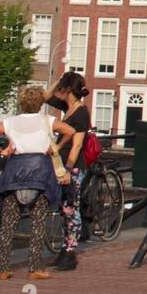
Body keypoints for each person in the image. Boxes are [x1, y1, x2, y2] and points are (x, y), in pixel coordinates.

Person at [0, 85, 75, 280]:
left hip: (14, 172)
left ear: (21, 103)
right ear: (40, 103)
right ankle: (34, 269)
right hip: (40, 172)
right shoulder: (47, 121)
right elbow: (70, 130)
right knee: (38, 222)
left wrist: (2, 151)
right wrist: (56, 146)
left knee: (8, 223)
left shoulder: (10, 122)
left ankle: (4, 268)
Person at [45, 71, 92, 272]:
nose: (59, 91)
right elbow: (46, 97)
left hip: (71, 166)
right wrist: (60, 80)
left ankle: (70, 253)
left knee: (71, 208)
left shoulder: (81, 112)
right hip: (59, 163)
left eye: (62, 88)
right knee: (64, 208)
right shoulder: (68, 107)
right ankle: (65, 249)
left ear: (67, 91)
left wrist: (69, 169)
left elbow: (77, 144)